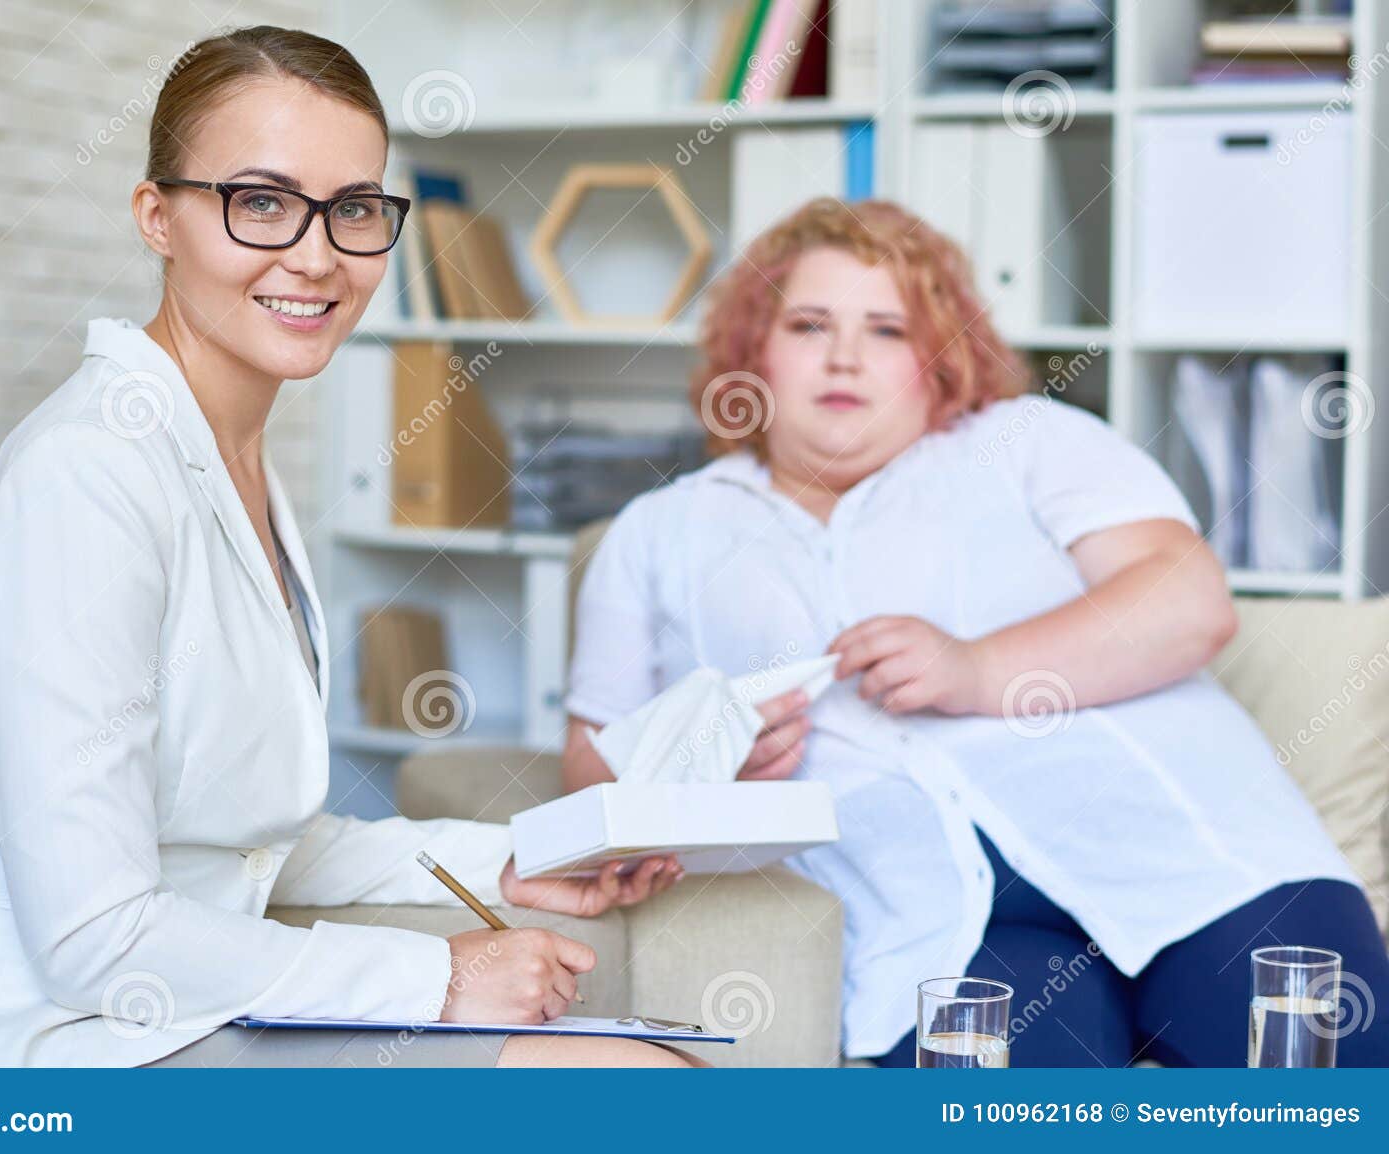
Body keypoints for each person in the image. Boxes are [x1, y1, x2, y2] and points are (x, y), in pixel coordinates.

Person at [0, 26, 691, 1069]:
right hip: (42, 1046)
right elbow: (89, 934)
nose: (315, 255)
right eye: (260, 201)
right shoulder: (86, 477)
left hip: (168, 1015)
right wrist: (438, 978)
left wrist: (517, 856)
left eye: (353, 209)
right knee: (625, 1085)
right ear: (157, 217)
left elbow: (243, 838)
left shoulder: (228, 454)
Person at [562, 196, 1389, 1067]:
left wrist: (976, 667)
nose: (845, 355)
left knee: (1321, 1106)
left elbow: (1189, 601)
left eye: (887, 329)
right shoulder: (657, 531)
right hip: (937, 920)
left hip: (1203, 859)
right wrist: (706, 769)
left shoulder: (1030, 440)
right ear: (750, 347)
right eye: (809, 323)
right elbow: (587, 768)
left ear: (938, 357)